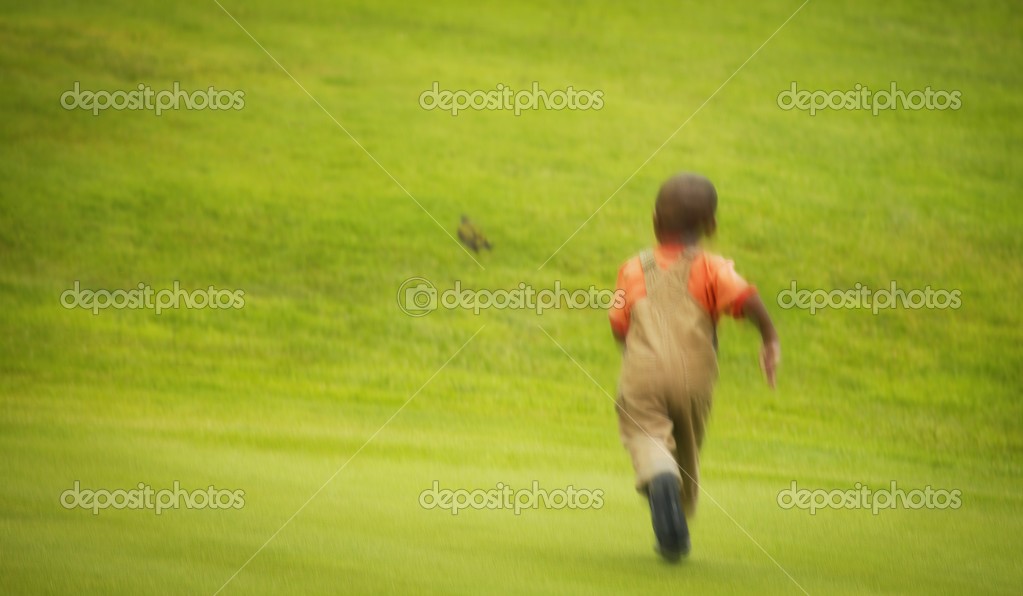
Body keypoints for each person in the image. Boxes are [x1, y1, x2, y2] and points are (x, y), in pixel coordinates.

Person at [608, 172, 780, 561]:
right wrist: (769, 337)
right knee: (686, 446)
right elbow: (746, 298)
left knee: (646, 433)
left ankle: (658, 476)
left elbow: (618, 323)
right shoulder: (713, 268)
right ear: (712, 226)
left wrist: (632, 352)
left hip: (642, 370)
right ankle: (676, 506)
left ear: (654, 218)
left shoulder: (634, 268)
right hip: (696, 375)